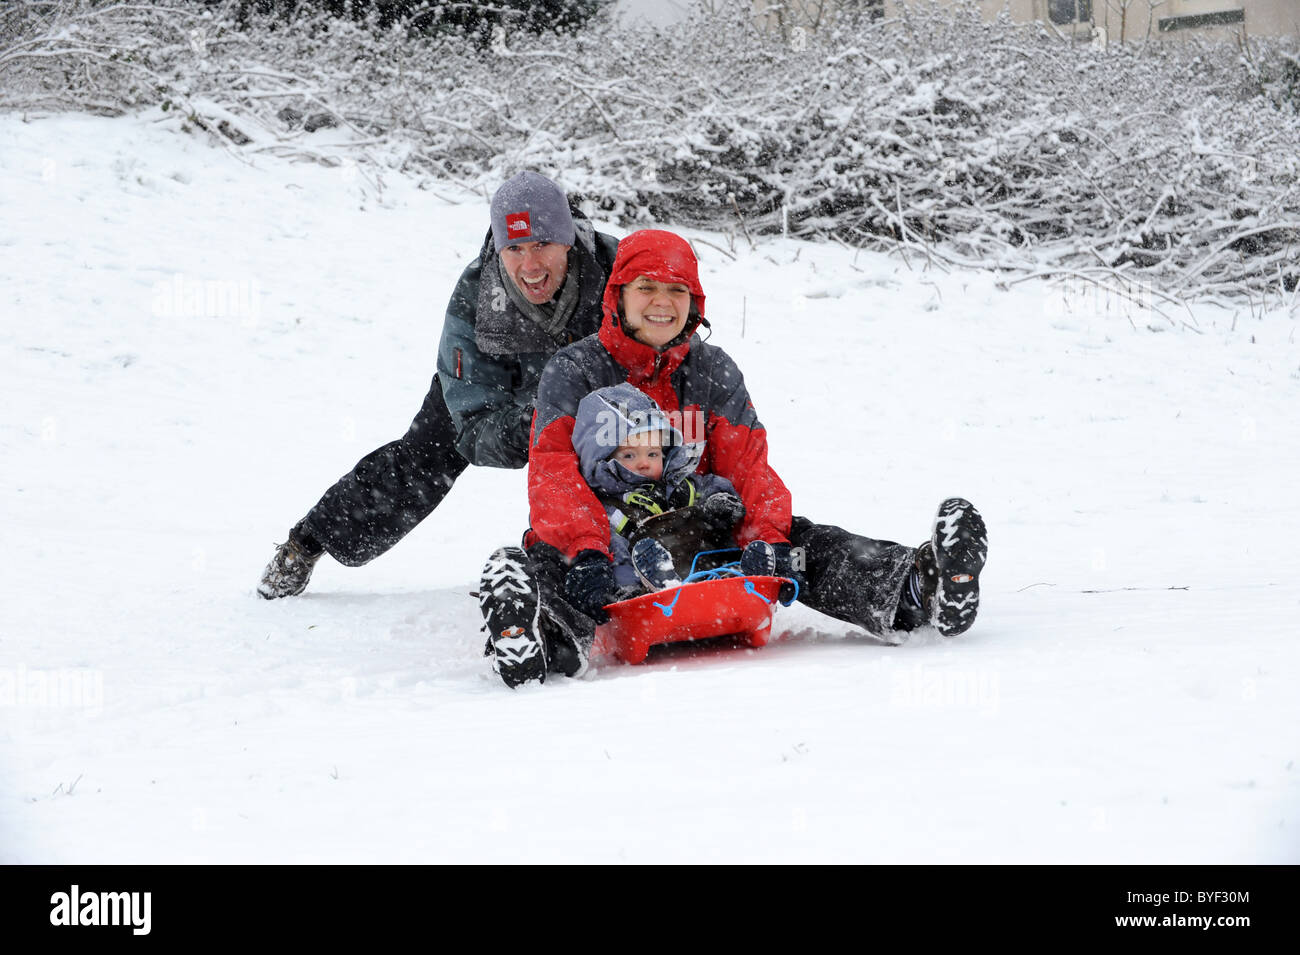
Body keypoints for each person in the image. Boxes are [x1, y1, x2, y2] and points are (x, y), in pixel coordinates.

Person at [478, 229, 988, 688]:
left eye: (677, 291)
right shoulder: (576, 369)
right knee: (554, 562)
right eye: (647, 287)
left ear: (694, 303)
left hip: (698, 527)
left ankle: (918, 587)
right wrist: (587, 548)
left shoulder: (712, 370)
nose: (662, 302)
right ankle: (534, 634)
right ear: (619, 296)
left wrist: (767, 538)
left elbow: (748, 467)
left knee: (802, 541)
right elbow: (553, 473)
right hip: (608, 535)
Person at [257, 172, 620, 598]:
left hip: (600, 389)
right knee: (422, 459)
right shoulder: (476, 294)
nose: (530, 265)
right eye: (515, 249)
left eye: (542, 245)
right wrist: (542, 423)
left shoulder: (617, 268)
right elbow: (473, 429)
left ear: (567, 240)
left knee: (637, 447)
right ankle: (308, 542)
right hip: (500, 394)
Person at [568, 382, 771, 595]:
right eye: (629, 455)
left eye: (652, 453)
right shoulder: (611, 510)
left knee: (715, 541)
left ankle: (746, 575)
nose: (644, 463)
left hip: (707, 571)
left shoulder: (679, 486)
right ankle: (660, 584)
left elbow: (709, 485)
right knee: (638, 555)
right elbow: (616, 554)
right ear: (602, 460)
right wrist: (626, 588)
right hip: (652, 593)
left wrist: (720, 501)